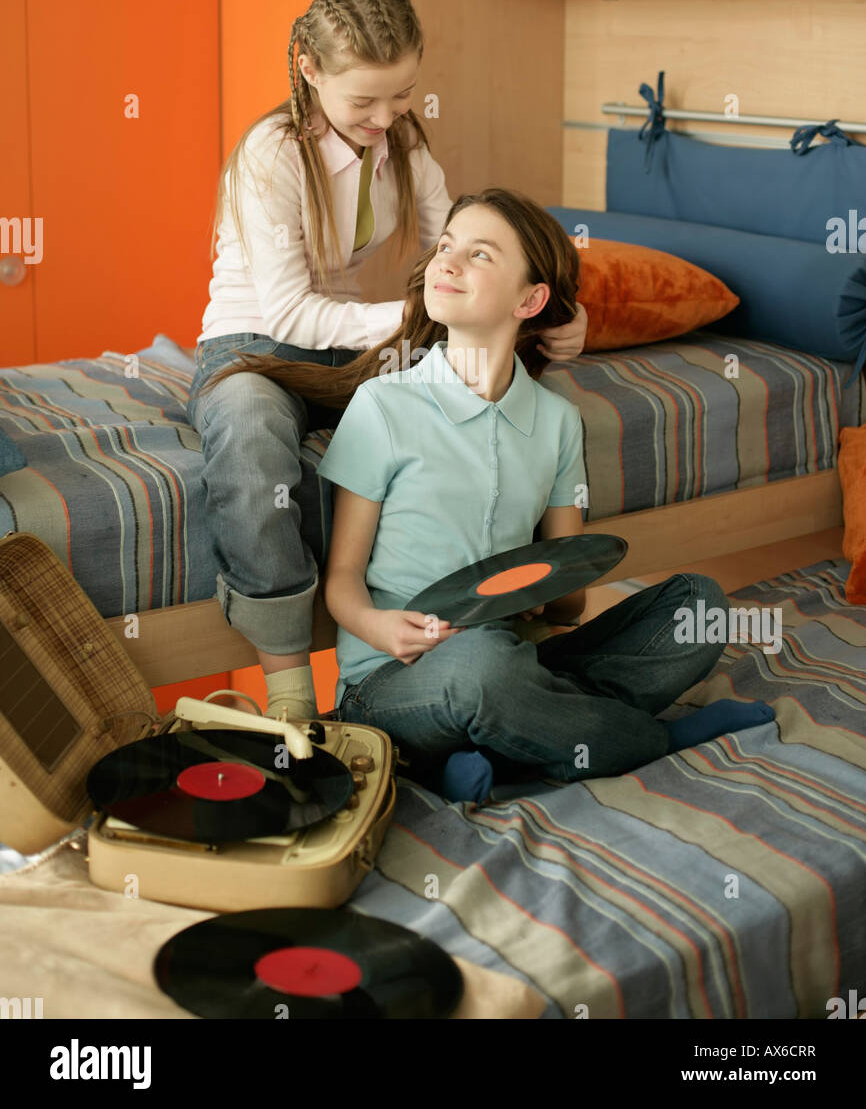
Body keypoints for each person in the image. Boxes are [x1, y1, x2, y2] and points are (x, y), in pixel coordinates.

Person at [204, 188, 775, 804]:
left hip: (508, 658)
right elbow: (343, 579)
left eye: (479, 254)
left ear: (530, 301)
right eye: (446, 247)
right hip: (389, 681)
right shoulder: (383, 406)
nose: (447, 262)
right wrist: (379, 627)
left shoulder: (557, 421)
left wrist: (541, 595)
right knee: (482, 670)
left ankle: (495, 749)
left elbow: (570, 599)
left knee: (698, 604)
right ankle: (646, 740)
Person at [188, 0, 588, 721]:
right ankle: (290, 695)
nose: (385, 117)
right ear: (309, 68)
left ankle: (503, 622)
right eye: (364, 101)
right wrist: (416, 314)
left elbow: (460, 242)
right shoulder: (272, 155)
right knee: (250, 432)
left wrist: (555, 318)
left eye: (401, 95)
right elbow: (289, 313)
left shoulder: (403, 145)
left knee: (486, 385)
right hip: (253, 344)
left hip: (342, 336)